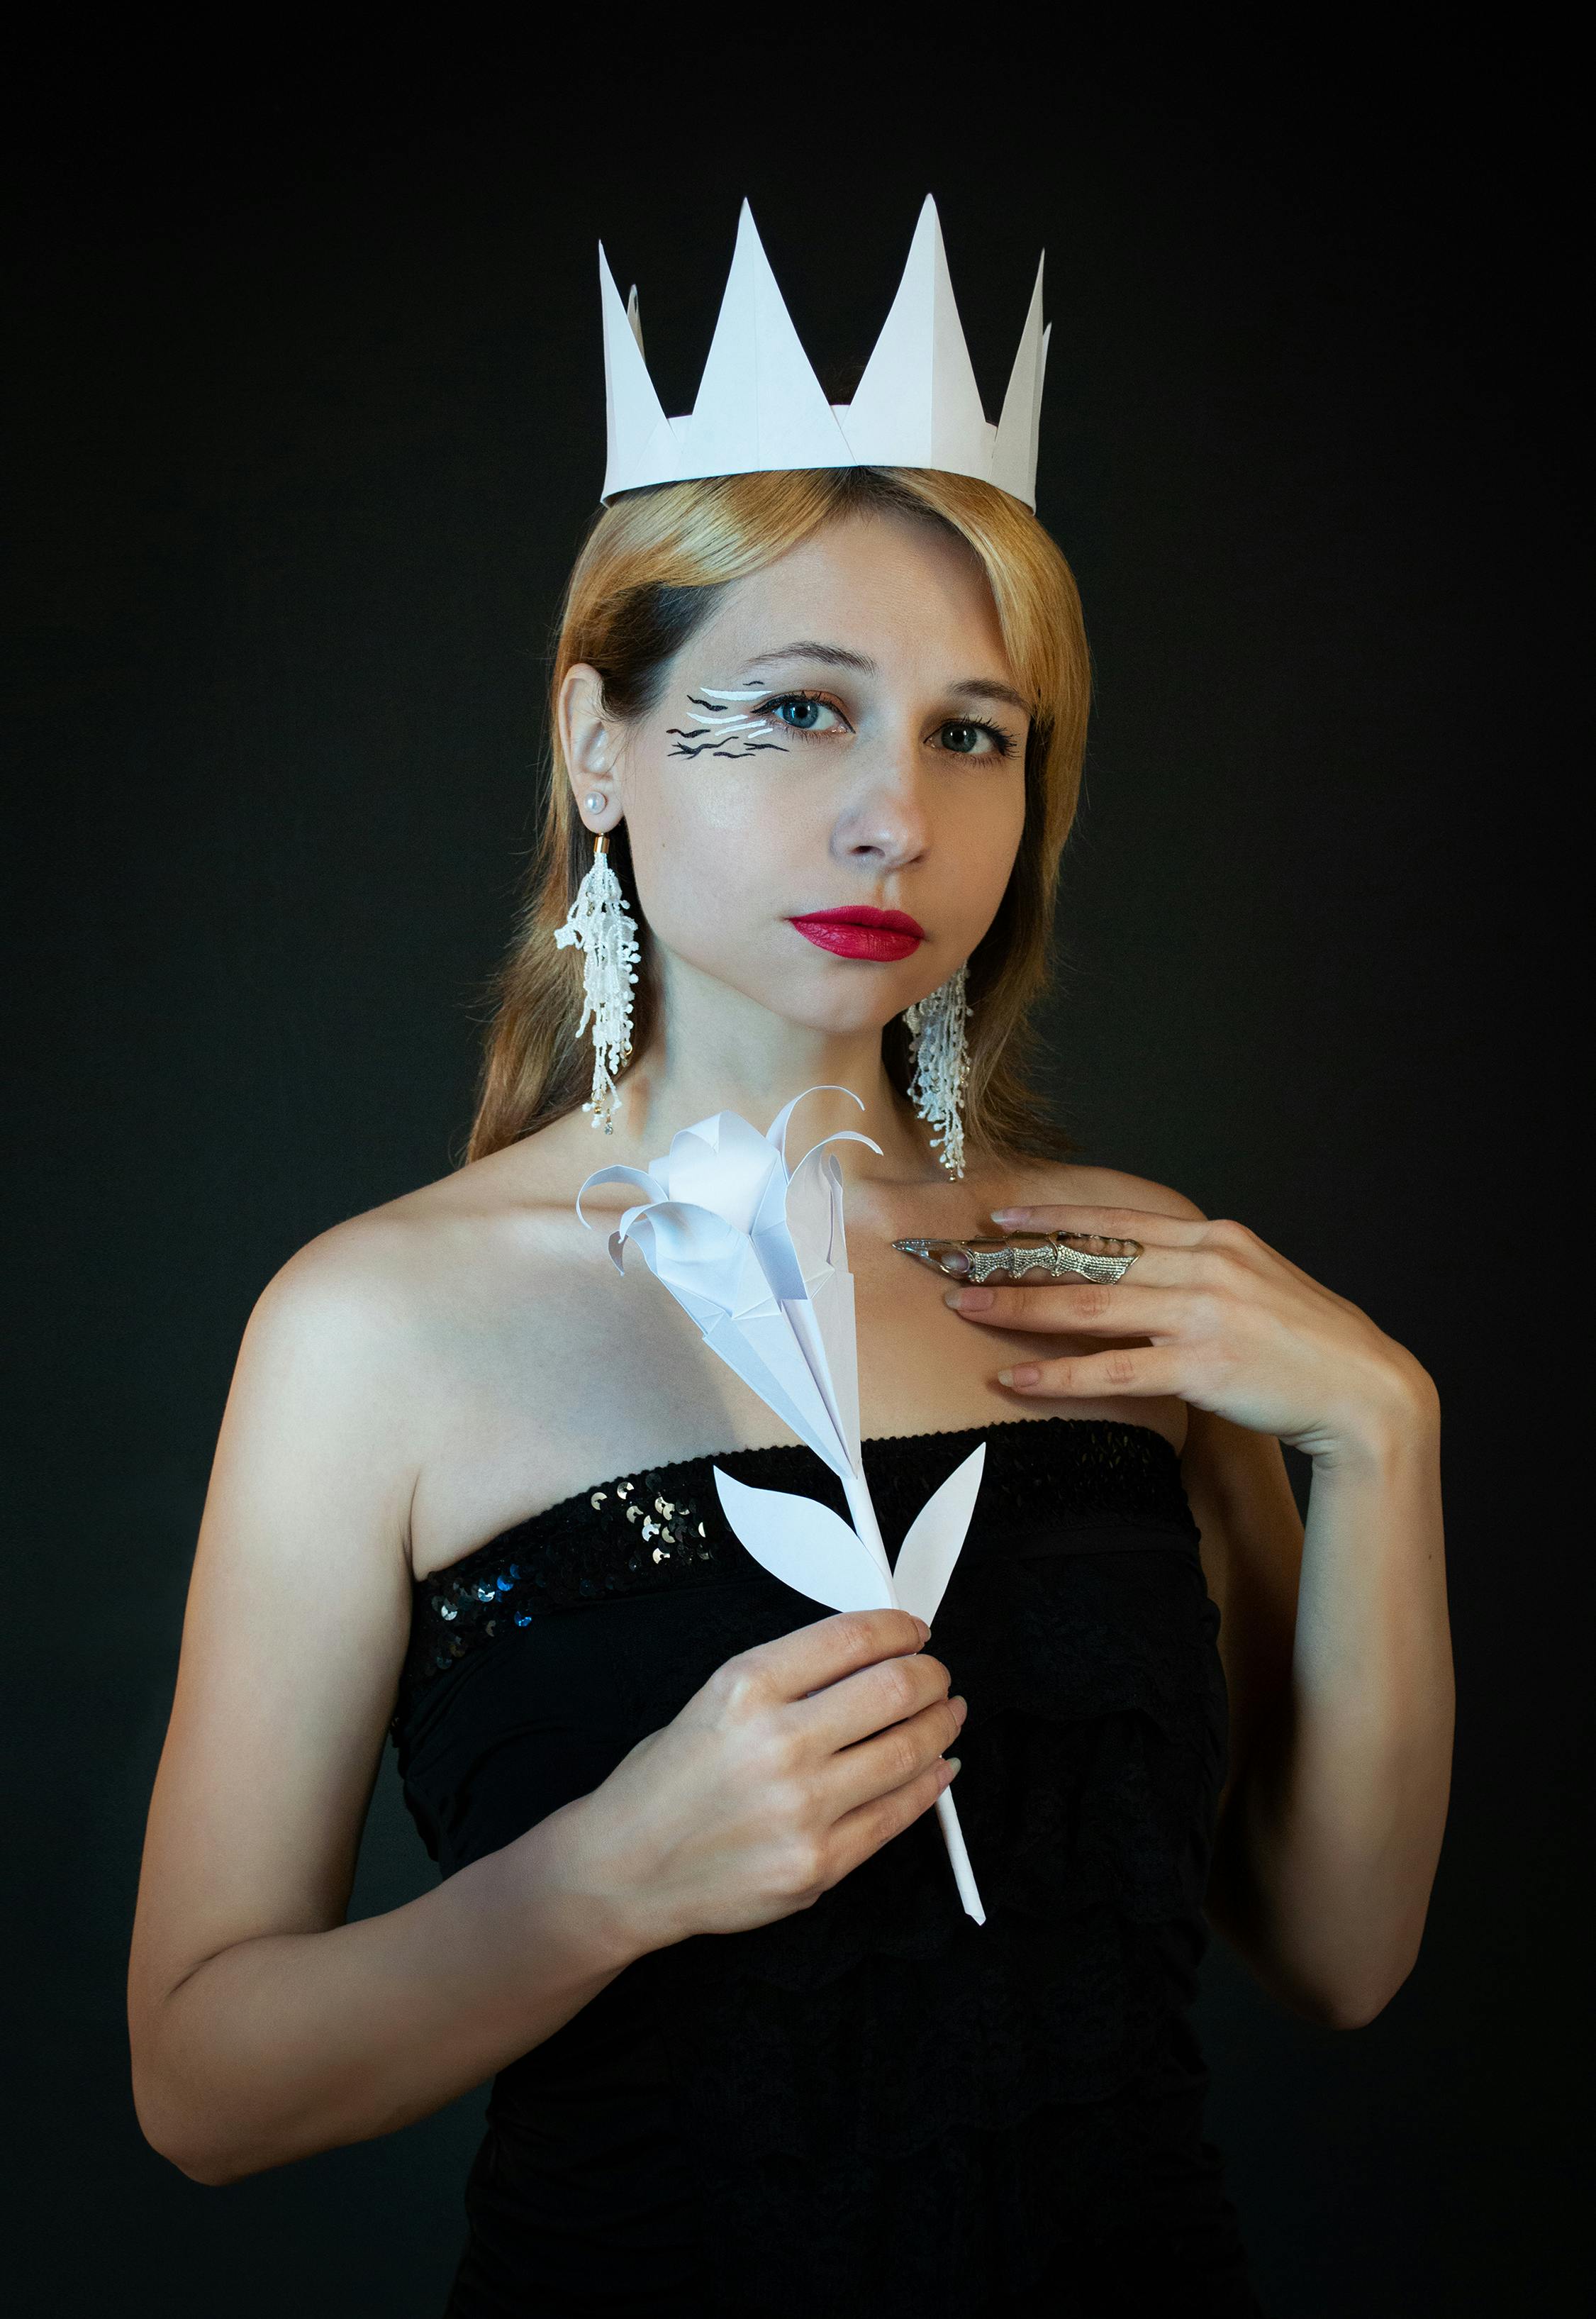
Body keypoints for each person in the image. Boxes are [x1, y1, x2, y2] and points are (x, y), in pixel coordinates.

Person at [127, 201, 1454, 2317]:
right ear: (599, 747)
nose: (891, 821)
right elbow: (201, 2085)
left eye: (970, 733)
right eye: (793, 711)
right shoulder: (376, 1324)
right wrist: (605, 1881)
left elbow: (1339, 1953)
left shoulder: (1131, 1282)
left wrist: (1382, 1439)